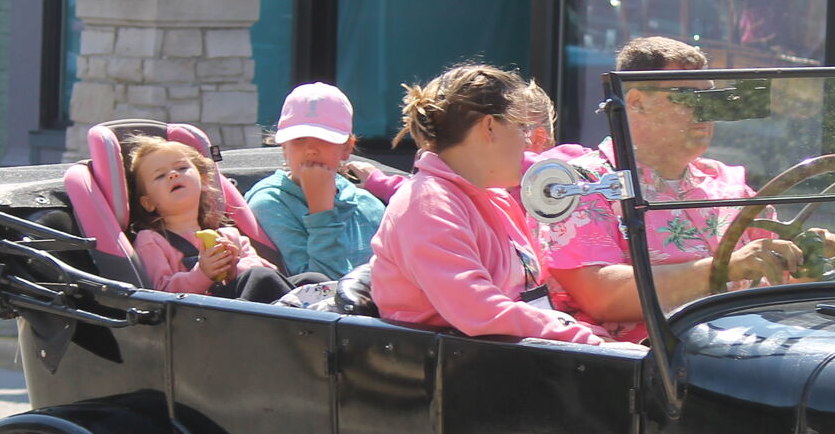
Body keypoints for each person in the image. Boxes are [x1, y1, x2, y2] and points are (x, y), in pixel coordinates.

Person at [538, 37, 803, 335]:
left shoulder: (729, 184)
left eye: (711, 100)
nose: (704, 113)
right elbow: (601, 296)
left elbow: (780, 279)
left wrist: (805, 261)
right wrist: (722, 268)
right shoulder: (584, 184)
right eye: (688, 98)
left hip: (748, 348)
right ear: (637, 102)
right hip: (647, 366)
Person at [367, 64, 617, 345]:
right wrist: (588, 340)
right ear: (489, 127)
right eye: (521, 127)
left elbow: (528, 295)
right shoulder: (427, 204)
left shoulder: (493, 198)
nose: (527, 141)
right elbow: (480, 310)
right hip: (453, 372)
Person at [245, 82, 387, 279]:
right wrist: (321, 211)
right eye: (299, 139)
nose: (311, 149)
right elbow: (319, 287)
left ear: (347, 148)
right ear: (284, 147)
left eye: (324, 139)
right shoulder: (268, 203)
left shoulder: (370, 205)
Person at [126, 138, 294, 302]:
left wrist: (234, 267)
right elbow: (159, 292)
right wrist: (202, 274)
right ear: (148, 203)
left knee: (312, 279)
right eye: (160, 175)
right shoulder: (151, 241)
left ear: (204, 181)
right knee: (259, 276)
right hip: (203, 318)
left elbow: (272, 272)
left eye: (182, 167)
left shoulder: (229, 236)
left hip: (246, 305)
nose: (173, 174)